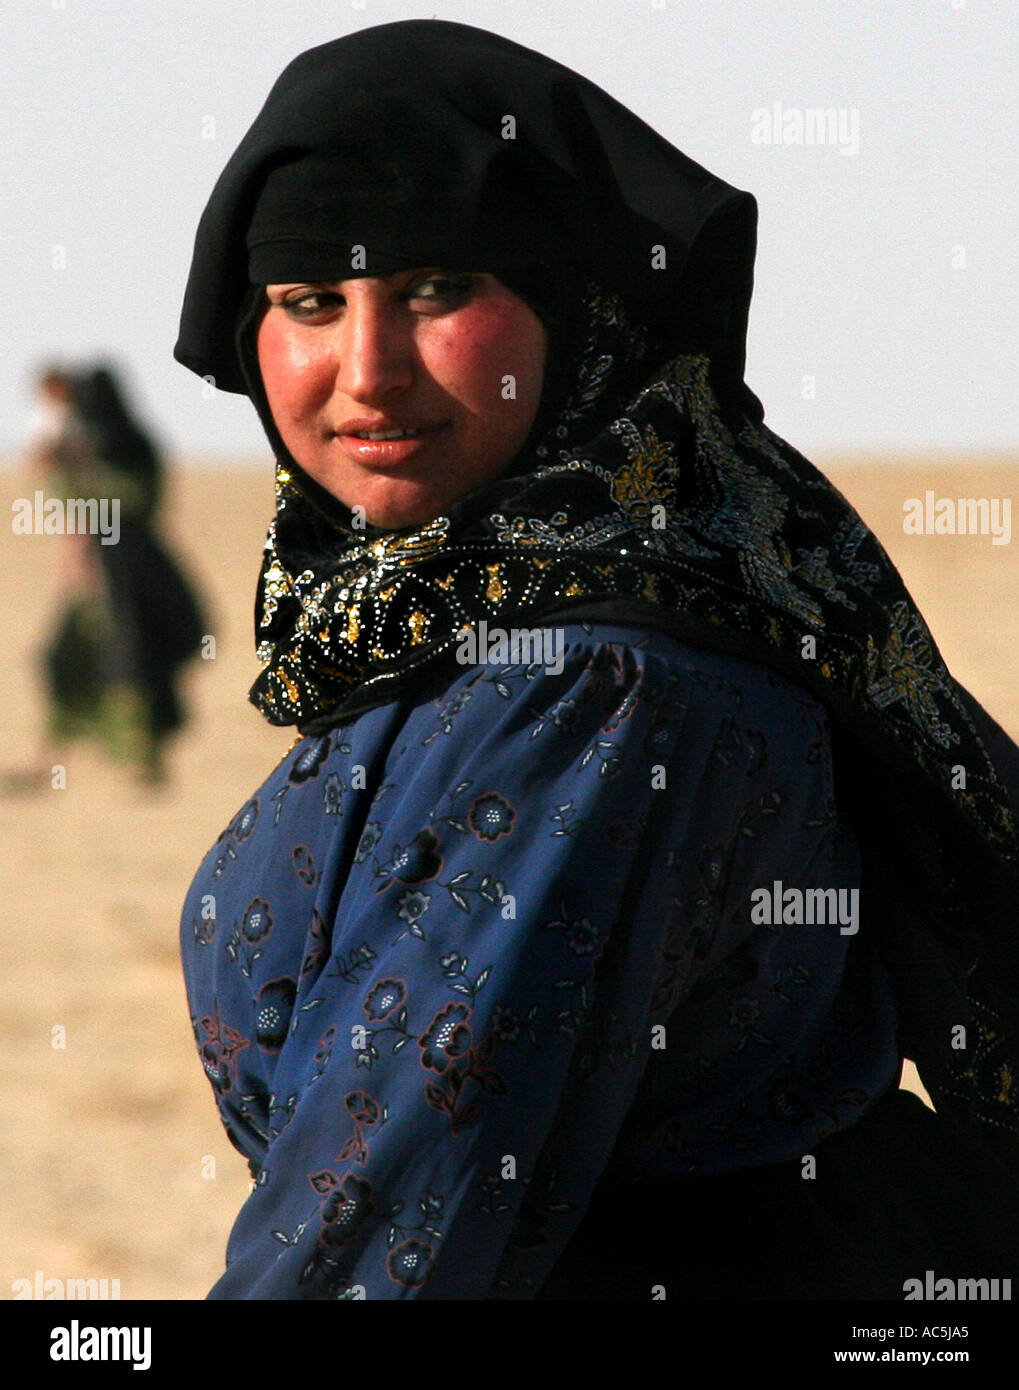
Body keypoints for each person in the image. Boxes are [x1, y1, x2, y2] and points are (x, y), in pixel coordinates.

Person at [174, 20, 1019, 1299]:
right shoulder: (469, 607)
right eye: (306, 302)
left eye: (434, 290)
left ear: (577, 310)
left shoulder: (598, 678)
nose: (364, 371)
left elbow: (390, 1217)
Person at [20, 362, 205, 785]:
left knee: (135, 661)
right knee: (63, 659)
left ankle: (143, 761)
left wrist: (68, 476)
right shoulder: (85, 444)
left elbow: (131, 501)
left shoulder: (129, 445)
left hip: (133, 571)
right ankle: (51, 762)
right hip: (97, 572)